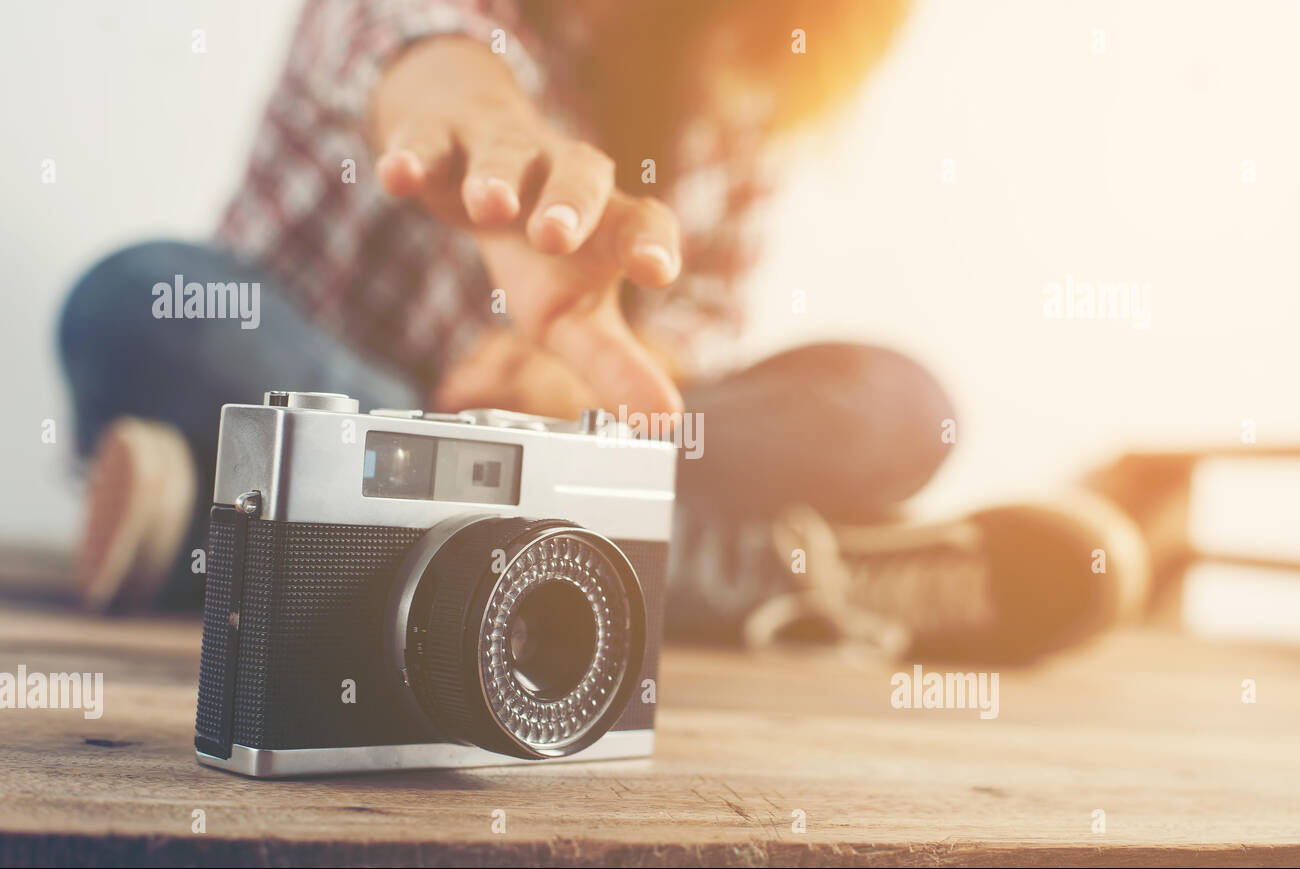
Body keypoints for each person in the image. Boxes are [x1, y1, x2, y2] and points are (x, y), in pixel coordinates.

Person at [59, 0, 1140, 662]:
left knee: (905, 406)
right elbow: (416, 49)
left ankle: (237, 538)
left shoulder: (739, 78)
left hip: (542, 444)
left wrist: (573, 389)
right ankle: (746, 579)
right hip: (335, 409)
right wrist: (492, 133)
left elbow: (691, 339)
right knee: (145, 296)